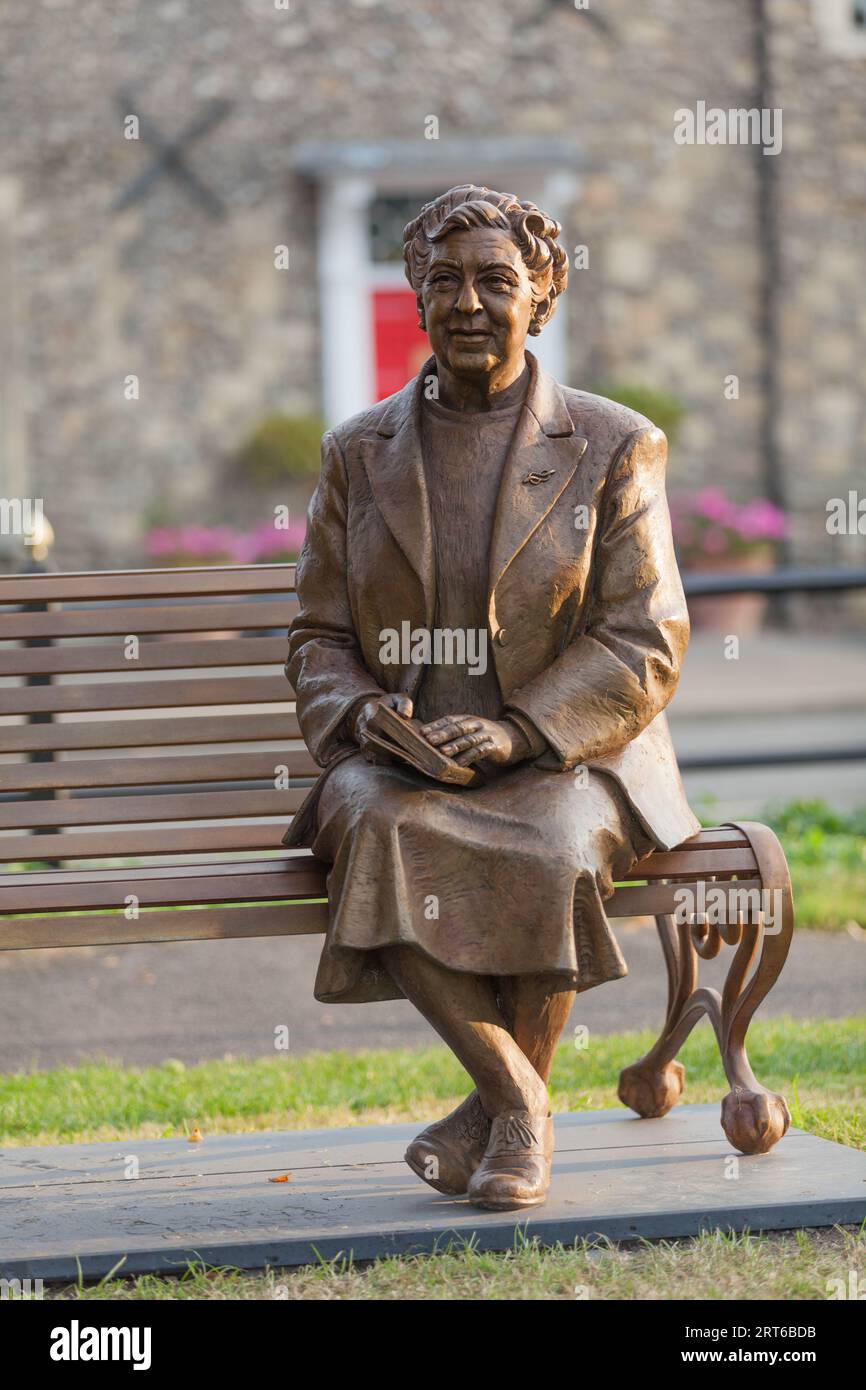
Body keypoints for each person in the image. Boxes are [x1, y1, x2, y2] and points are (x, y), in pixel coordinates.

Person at [282, 185, 699, 1210]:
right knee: (374, 822)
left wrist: (522, 732)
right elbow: (316, 638)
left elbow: (646, 632)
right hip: (402, 768)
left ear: (541, 297)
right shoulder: (355, 453)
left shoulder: (611, 445)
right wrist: (363, 714)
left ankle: (495, 1117)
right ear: (415, 298)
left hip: (570, 755)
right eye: (443, 281)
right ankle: (520, 1096)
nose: (469, 302)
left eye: (496, 282)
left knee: (556, 848)